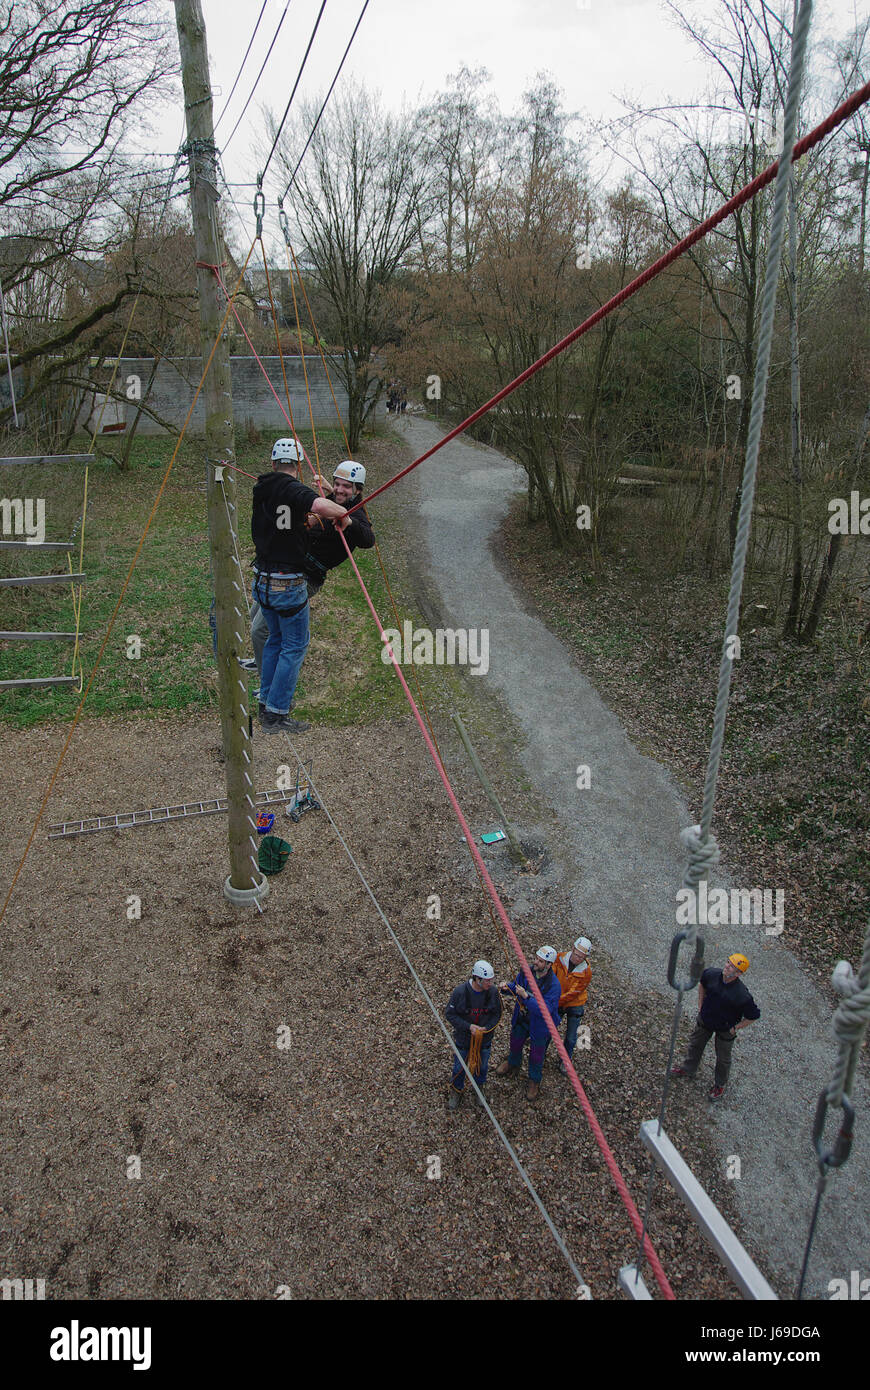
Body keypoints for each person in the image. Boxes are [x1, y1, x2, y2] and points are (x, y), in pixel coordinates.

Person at [249, 460, 374, 701]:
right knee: (255, 614)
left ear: (357, 490)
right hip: (289, 569)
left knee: (259, 630)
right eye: (337, 484)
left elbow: (368, 538)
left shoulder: (356, 513)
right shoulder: (332, 503)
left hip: (305, 579)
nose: (339, 490)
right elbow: (316, 513)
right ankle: (262, 661)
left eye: (346, 487)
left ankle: (268, 686)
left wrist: (347, 522)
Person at [251, 437, 349, 734]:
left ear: (272, 463)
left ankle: (266, 702)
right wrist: (342, 514)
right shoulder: (291, 487)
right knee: (295, 645)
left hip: (262, 579)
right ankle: (277, 714)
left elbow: (288, 519)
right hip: (287, 582)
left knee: (275, 640)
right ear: (298, 465)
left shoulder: (262, 487)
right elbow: (319, 504)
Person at [670, 953, 760, 1101]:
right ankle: (688, 1069)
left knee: (723, 1058)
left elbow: (753, 1016)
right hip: (706, 1020)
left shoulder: (742, 995)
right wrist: (701, 1006)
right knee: (695, 1045)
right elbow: (702, 985)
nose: (727, 966)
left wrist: (735, 1028)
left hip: (725, 1028)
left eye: (732, 966)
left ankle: (720, 1084)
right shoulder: (711, 974)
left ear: (738, 973)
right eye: (728, 963)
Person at [496, 946, 562, 1102]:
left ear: (549, 965)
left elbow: (545, 1009)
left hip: (541, 1025)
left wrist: (526, 997)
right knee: (516, 1042)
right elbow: (517, 986)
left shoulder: (554, 985)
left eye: (540, 961)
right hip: (523, 1017)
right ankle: (513, 1062)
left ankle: (534, 1080)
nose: (536, 962)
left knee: (537, 1054)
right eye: (536, 959)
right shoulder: (528, 972)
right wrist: (507, 988)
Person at [444, 960, 502, 1110]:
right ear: (477, 979)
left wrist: (486, 1029)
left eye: (491, 980)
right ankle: (456, 1090)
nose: (491, 983)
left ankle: (479, 1088)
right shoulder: (460, 993)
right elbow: (450, 1014)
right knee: (459, 1067)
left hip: (484, 1039)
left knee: (482, 1066)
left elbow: (497, 1015)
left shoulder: (493, 992)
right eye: (488, 980)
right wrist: (468, 1027)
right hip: (464, 1038)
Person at [553, 936, 591, 1073]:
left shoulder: (586, 972)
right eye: (576, 954)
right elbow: (551, 976)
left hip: (574, 1004)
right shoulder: (559, 959)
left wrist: (554, 1001)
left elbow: (573, 993)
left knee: (570, 1036)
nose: (577, 958)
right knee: (549, 1029)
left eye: (581, 957)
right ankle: (542, 1052)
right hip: (558, 1000)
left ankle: (566, 1060)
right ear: (573, 948)